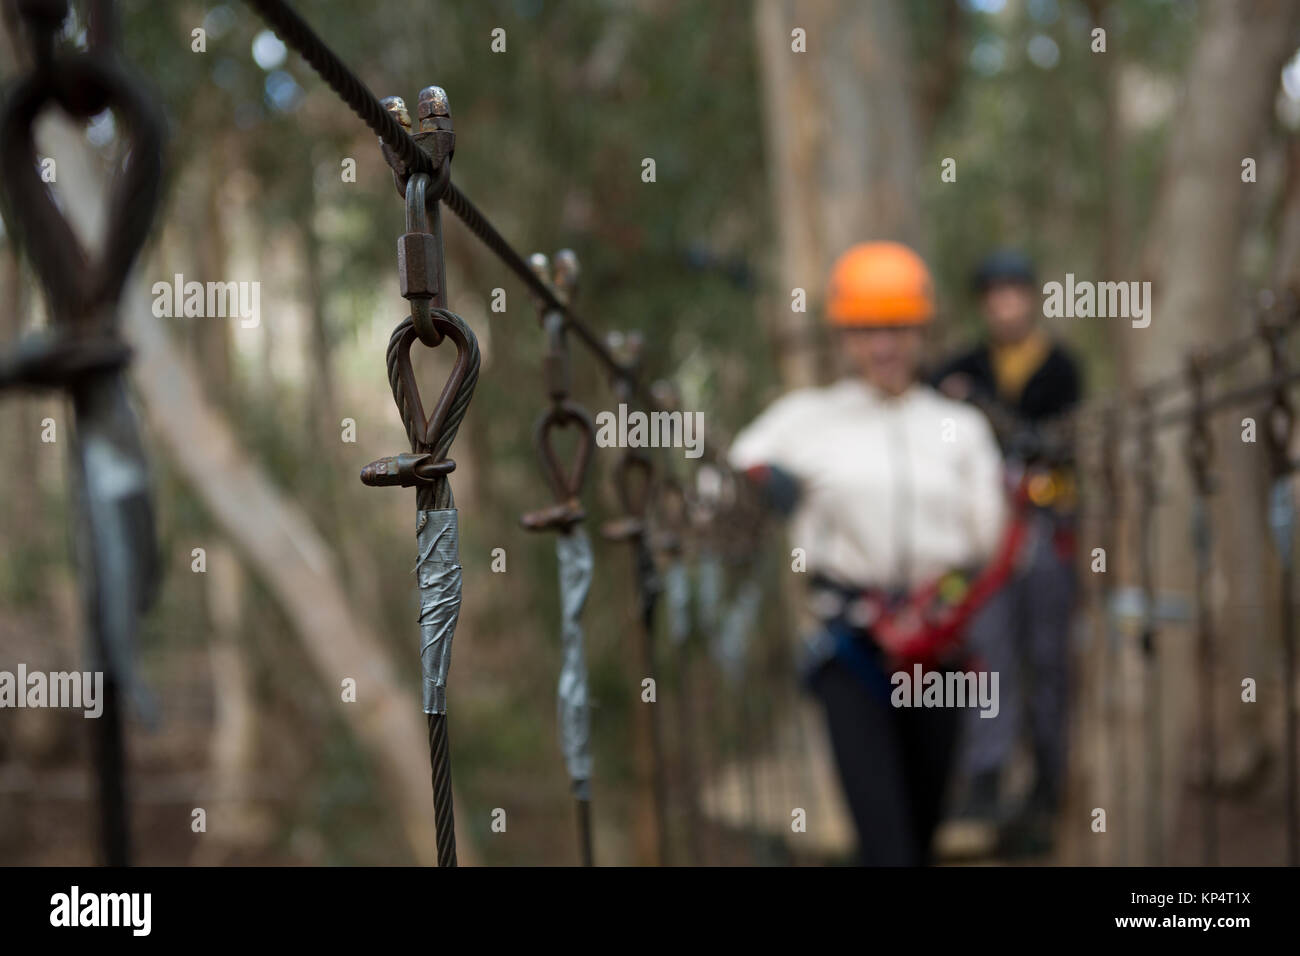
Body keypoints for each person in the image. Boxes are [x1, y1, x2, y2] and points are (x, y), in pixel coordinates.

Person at [728, 241, 1008, 865]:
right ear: (845, 337)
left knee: (924, 832)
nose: (884, 346)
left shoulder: (959, 428)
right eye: (868, 330)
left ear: (921, 331)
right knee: (887, 850)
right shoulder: (806, 419)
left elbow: (990, 535)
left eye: (899, 329)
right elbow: (723, 479)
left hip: (941, 649)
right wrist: (760, 481)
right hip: (851, 653)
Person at [932, 249, 1082, 854]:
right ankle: (986, 776)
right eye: (993, 295)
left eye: (1013, 292)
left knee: (1047, 654)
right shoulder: (959, 367)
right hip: (985, 533)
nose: (1004, 305)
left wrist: (989, 414)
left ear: (1031, 297)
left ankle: (1048, 780)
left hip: (1047, 526)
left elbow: (1060, 443)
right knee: (985, 647)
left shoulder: (1061, 367)